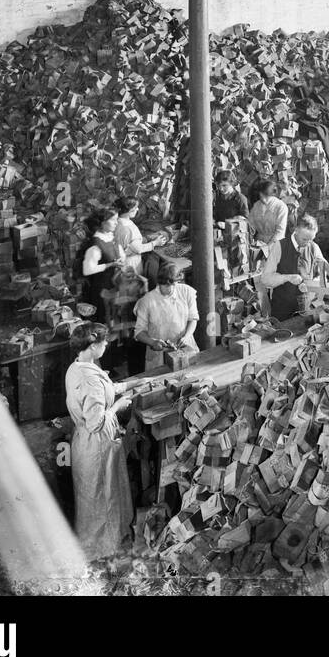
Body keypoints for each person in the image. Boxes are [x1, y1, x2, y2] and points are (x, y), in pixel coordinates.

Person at [65, 323, 133, 560]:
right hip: (97, 441)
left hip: (85, 441)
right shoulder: (89, 379)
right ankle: (105, 550)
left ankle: (97, 545)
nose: (106, 345)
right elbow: (96, 421)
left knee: (91, 496)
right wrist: (118, 406)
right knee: (105, 496)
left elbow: (102, 389)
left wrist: (130, 385)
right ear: (93, 346)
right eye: (103, 342)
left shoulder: (78, 367)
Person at [258, 214, 329, 322]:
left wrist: (316, 281)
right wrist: (287, 278)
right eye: (304, 239)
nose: (307, 243)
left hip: (304, 306)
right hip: (282, 307)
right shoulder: (279, 246)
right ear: (296, 230)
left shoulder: (314, 247)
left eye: (311, 239)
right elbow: (265, 279)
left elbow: (323, 271)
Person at [132, 267, 199, 372]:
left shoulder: (186, 292)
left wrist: (187, 336)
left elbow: (193, 318)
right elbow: (139, 332)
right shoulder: (146, 301)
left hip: (185, 347)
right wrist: (152, 342)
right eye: (165, 285)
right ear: (159, 283)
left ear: (177, 281)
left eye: (172, 285)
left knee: (191, 378)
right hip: (159, 355)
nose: (169, 289)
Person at [79, 208, 123, 323]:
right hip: (102, 288)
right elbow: (87, 270)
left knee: (113, 316)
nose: (116, 223)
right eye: (113, 220)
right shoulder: (95, 244)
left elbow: (119, 253)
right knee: (104, 318)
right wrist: (110, 264)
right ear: (103, 223)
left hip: (113, 285)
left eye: (117, 219)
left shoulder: (111, 236)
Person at [112, 196, 167, 282]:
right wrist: (155, 243)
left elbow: (129, 242)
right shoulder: (129, 228)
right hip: (130, 264)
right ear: (129, 210)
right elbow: (138, 249)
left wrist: (146, 238)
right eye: (135, 208)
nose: (137, 209)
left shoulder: (117, 221)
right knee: (133, 288)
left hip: (121, 262)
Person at [248, 180, 288, 266]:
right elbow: (250, 225)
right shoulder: (257, 205)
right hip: (259, 243)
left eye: (266, 196)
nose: (263, 199)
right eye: (261, 195)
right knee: (257, 272)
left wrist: (267, 248)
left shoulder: (281, 207)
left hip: (275, 244)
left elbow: (280, 232)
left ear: (273, 195)